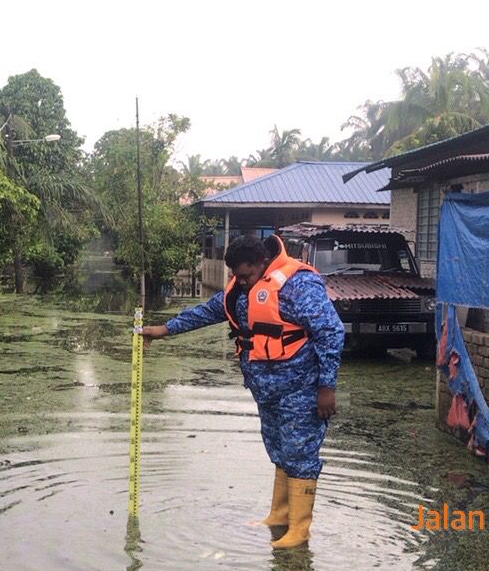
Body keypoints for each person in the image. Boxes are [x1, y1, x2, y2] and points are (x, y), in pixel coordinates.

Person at [140, 234, 344, 549]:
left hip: (302, 388)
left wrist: (326, 386)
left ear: (263, 262)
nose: (244, 282)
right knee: (279, 449)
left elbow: (330, 332)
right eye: (238, 276)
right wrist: (164, 330)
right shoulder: (241, 289)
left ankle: (300, 530)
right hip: (267, 392)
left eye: (247, 275)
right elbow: (206, 312)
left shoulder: (297, 286)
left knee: (300, 453)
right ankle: (279, 516)